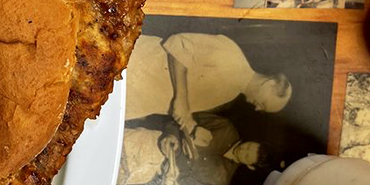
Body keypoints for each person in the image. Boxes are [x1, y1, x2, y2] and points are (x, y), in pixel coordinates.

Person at [125, 32, 293, 137]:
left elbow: (179, 105)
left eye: (262, 109)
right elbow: (178, 44)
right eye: (263, 104)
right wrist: (182, 100)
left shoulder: (232, 94)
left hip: (133, 99)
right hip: (132, 66)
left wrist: (191, 127)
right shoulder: (232, 57)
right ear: (270, 83)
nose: (257, 108)